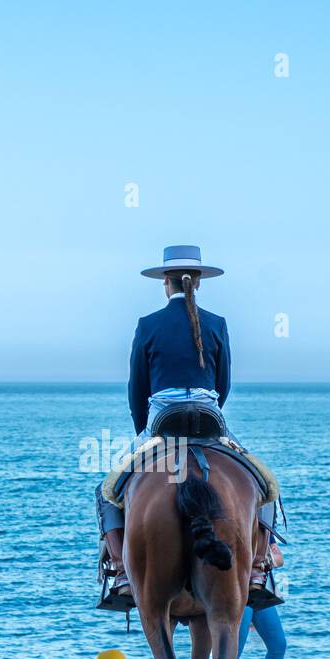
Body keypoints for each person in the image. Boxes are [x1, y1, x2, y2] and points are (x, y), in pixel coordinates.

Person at [95, 244, 278, 611]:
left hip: (163, 421)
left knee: (105, 491)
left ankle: (121, 573)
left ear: (166, 282)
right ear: (199, 282)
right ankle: (259, 568)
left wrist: (141, 432)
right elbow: (223, 384)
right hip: (210, 418)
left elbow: (137, 390)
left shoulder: (147, 324)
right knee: (265, 484)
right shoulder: (217, 323)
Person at [238, 540, 292, 659]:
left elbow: (279, 559)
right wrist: (262, 561)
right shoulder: (234, 522)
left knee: (278, 645)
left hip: (260, 592)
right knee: (234, 650)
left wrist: (266, 561)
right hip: (240, 593)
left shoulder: (265, 531)